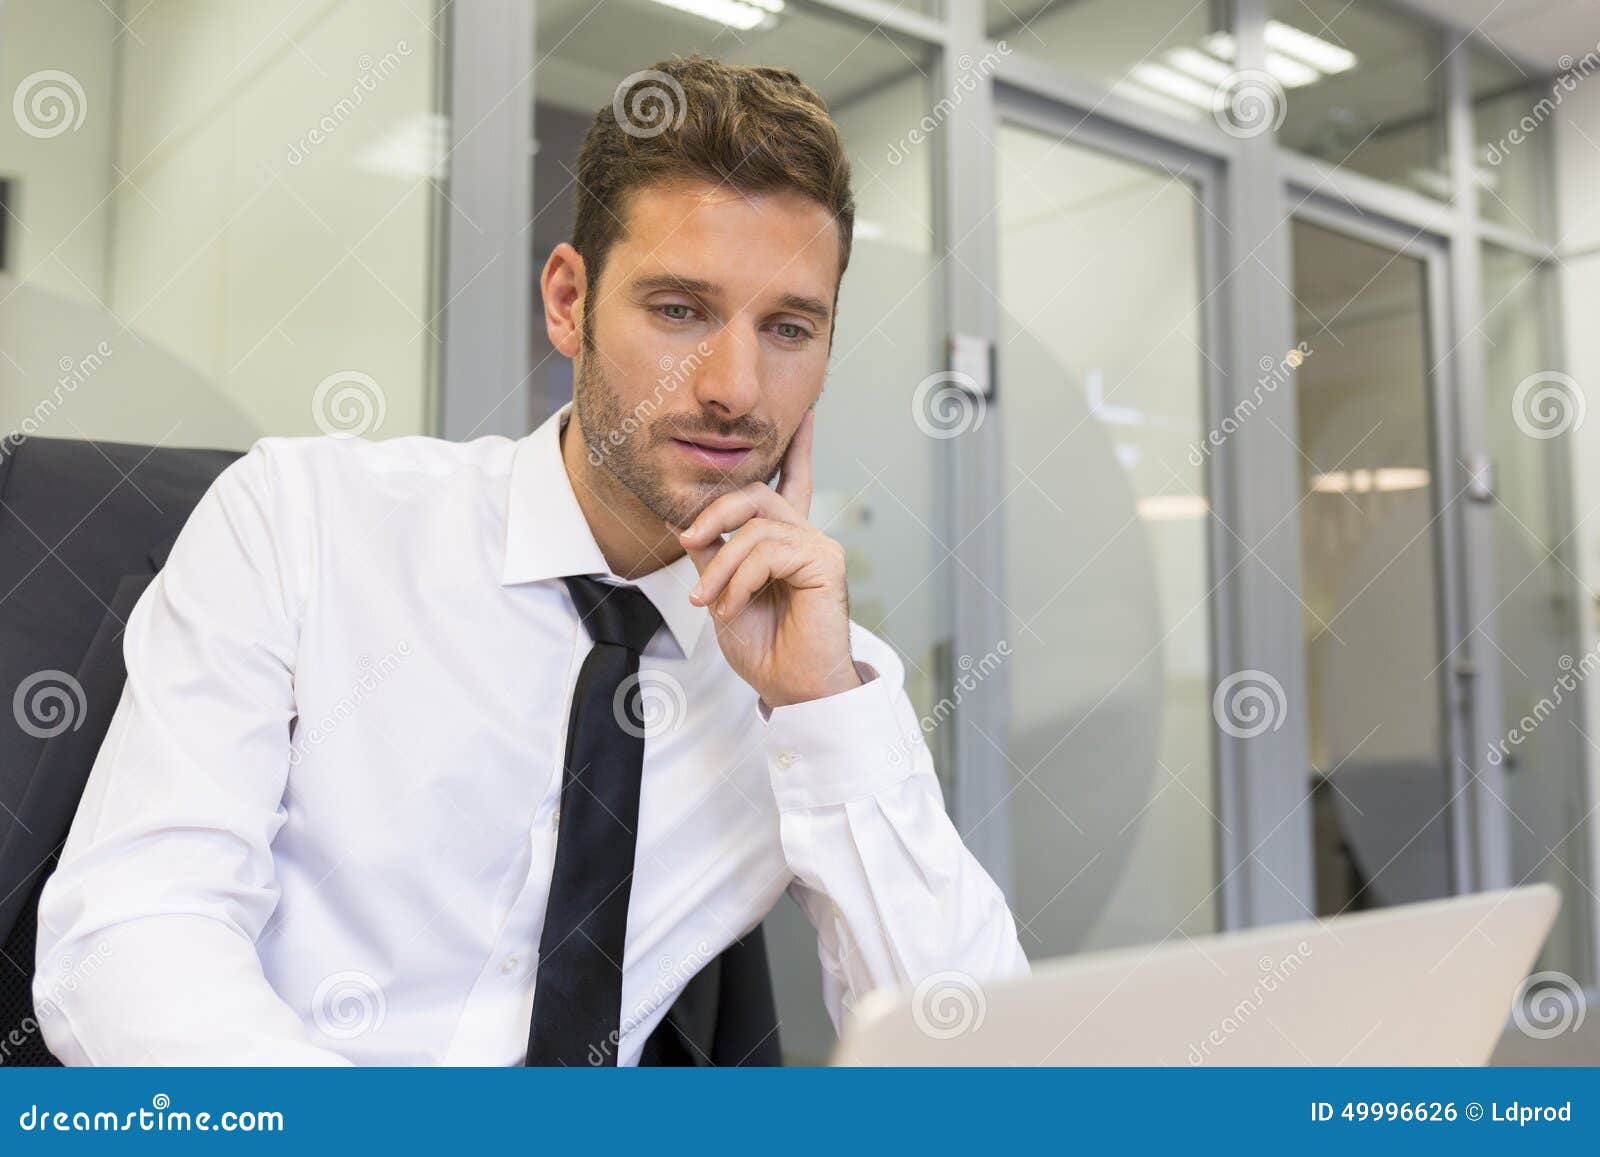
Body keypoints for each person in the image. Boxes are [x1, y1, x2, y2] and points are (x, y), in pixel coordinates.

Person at [33, 54, 1028, 1067]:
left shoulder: (814, 672)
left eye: (788, 327)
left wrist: (820, 710)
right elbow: (127, 935)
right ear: (567, 301)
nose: (735, 386)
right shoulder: (306, 522)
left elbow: (987, 1066)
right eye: (679, 309)